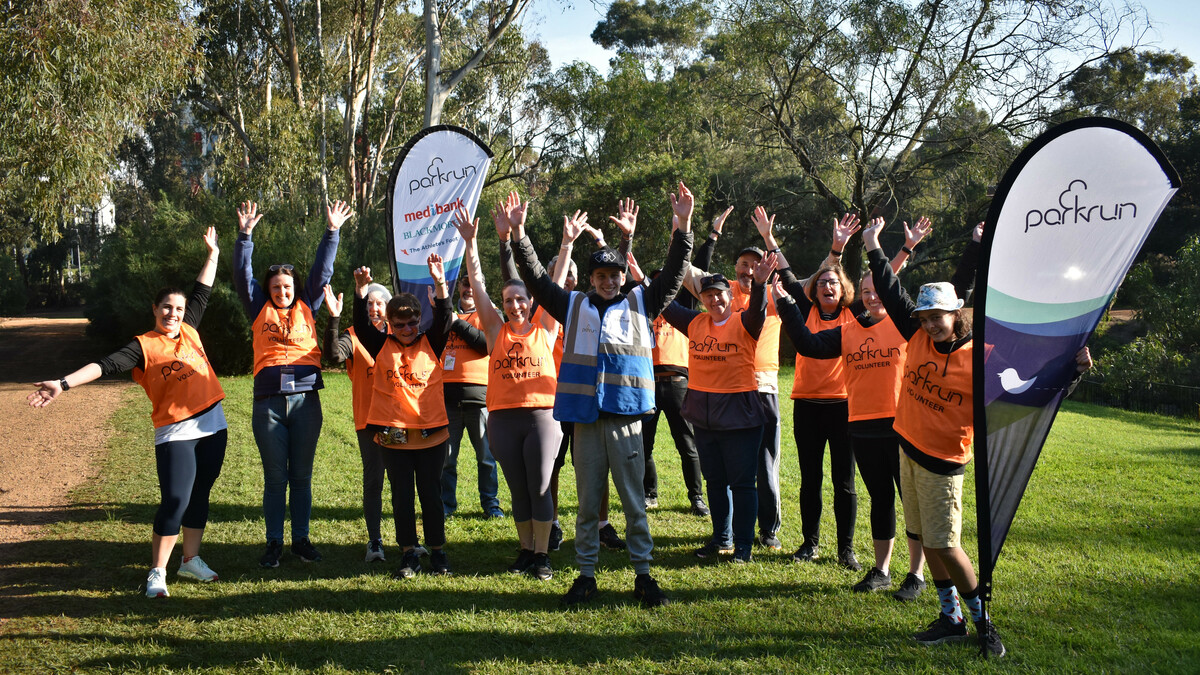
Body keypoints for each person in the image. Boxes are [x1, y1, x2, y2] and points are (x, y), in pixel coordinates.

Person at [865, 219, 1092, 657]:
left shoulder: (982, 357)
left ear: (957, 315)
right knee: (924, 537)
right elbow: (892, 290)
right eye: (925, 317)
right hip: (906, 449)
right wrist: (874, 247)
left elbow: (1029, 390)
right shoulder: (914, 335)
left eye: (938, 318)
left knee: (946, 544)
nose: (930, 325)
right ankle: (950, 618)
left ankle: (984, 623)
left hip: (943, 462)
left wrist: (1073, 371)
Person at [509, 184, 695, 608]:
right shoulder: (572, 305)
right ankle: (586, 574)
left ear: (622, 276)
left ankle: (644, 575)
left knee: (633, 503)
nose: (608, 282)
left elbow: (673, 273)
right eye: (600, 276)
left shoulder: (642, 301)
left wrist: (682, 226)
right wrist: (519, 236)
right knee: (588, 503)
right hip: (586, 419)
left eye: (614, 276)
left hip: (627, 417)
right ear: (590, 279)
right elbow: (537, 280)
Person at [29, 228, 227, 598]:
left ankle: (190, 561)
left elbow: (203, 289)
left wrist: (213, 253)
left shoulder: (190, 329)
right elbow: (103, 366)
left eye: (179, 309)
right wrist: (63, 382)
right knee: (175, 500)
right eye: (167, 307)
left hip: (213, 424)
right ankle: (158, 571)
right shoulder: (142, 346)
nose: (174, 313)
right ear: (155, 310)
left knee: (200, 494)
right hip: (176, 432)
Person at [772, 216, 939, 599]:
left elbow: (892, 286)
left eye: (876, 288)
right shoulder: (849, 330)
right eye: (866, 291)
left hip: (902, 426)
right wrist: (784, 304)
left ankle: (915, 574)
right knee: (880, 499)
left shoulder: (905, 325)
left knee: (909, 502)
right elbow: (810, 347)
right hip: (861, 426)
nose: (871, 295)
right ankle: (881, 570)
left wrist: (876, 247)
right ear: (858, 295)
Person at [453, 206, 576, 580]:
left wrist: (567, 244)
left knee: (540, 484)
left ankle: (542, 555)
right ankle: (525, 550)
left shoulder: (545, 325)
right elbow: (476, 283)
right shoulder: (495, 330)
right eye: (508, 301)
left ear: (531, 302)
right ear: (502, 305)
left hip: (541, 416)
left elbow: (553, 281)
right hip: (503, 418)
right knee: (518, 489)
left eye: (521, 299)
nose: (515, 305)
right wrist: (471, 243)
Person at [233, 200, 349, 567]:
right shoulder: (257, 307)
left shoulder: (308, 305)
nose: (282, 291)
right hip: (268, 403)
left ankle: (301, 540)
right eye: (276, 286)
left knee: (300, 476)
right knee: (274, 477)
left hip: (305, 403)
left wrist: (332, 232)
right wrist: (244, 236)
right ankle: (273, 543)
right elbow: (241, 273)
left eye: (287, 286)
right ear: (267, 289)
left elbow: (322, 271)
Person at [661, 254, 778, 563]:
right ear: (702, 299)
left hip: (740, 416)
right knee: (715, 481)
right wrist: (642, 277)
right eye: (708, 295)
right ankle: (721, 538)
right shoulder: (696, 322)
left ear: (729, 297)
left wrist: (762, 283)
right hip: (704, 415)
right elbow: (666, 306)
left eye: (719, 294)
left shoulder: (746, 322)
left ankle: (742, 546)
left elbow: (758, 308)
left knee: (741, 483)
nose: (714, 300)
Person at [351, 259, 454, 578]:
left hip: (431, 435)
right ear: (390, 324)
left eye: (412, 323)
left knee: (431, 495)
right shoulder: (380, 344)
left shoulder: (432, 342)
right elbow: (360, 322)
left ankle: (438, 553)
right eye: (400, 324)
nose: (407, 330)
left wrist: (440, 285)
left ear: (420, 321)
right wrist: (360, 290)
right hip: (393, 436)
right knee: (402, 497)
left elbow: (446, 318)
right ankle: (409, 554)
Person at [321, 281, 393, 562]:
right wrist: (334, 318)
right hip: (370, 420)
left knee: (402, 481)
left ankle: (408, 540)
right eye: (369, 303)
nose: (374, 308)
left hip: (400, 419)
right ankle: (374, 541)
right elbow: (333, 354)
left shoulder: (397, 334)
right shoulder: (353, 335)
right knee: (374, 480)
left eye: (379, 303)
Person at [439, 273, 504, 520]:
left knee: (487, 458)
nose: (468, 289)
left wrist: (455, 322)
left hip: (480, 398)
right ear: (459, 288)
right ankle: (446, 505)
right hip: (447, 399)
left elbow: (485, 343)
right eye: (465, 284)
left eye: (473, 285)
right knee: (446, 459)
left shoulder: (490, 313)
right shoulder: (443, 312)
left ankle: (491, 504)